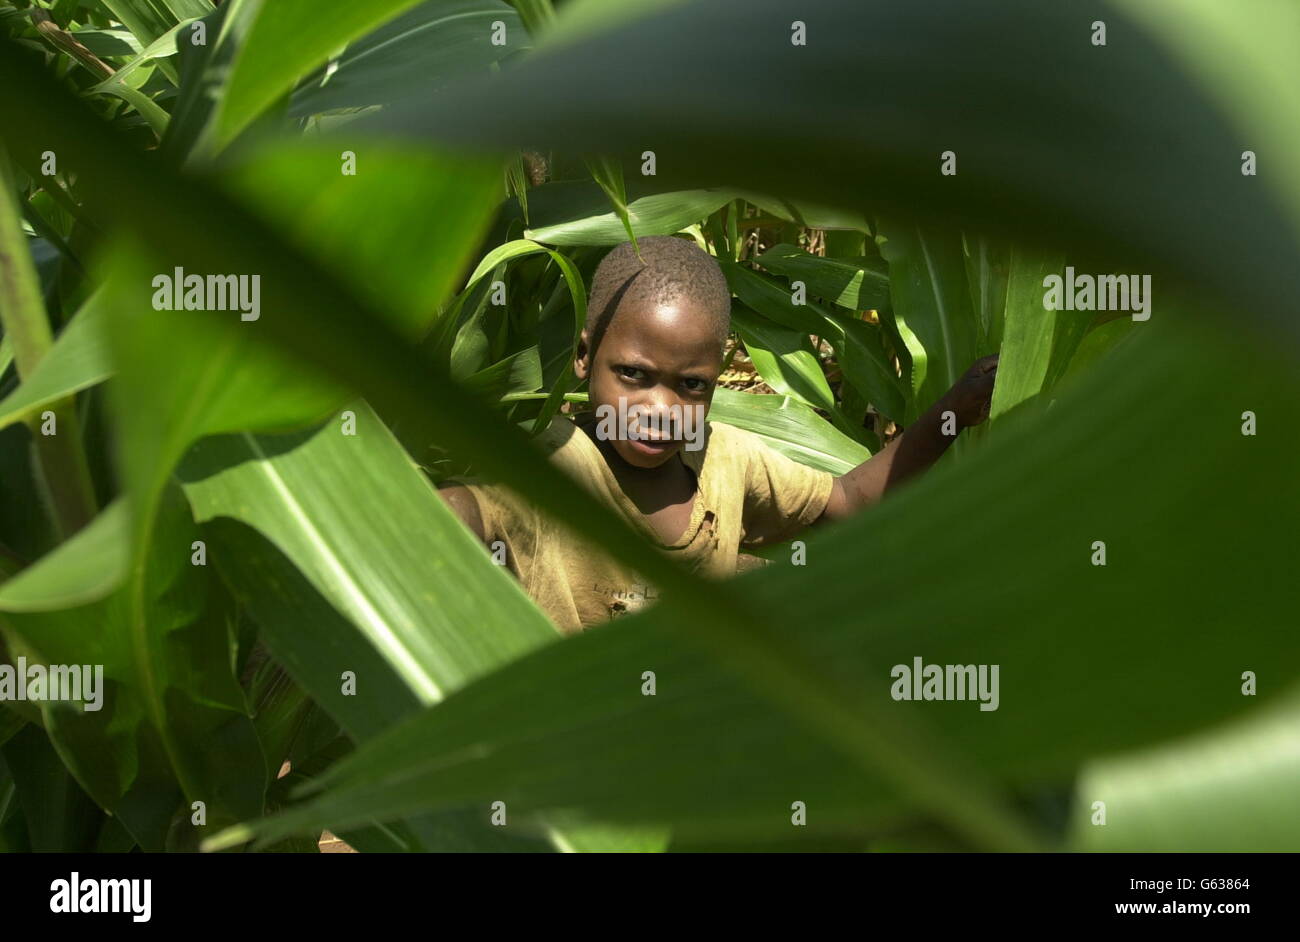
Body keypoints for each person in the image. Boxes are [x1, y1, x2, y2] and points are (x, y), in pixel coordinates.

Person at [439, 236, 997, 633]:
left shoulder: (725, 460)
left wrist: (951, 412)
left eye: (691, 385)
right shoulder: (550, 469)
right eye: (633, 375)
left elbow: (847, 501)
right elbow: (465, 516)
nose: (659, 409)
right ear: (585, 356)